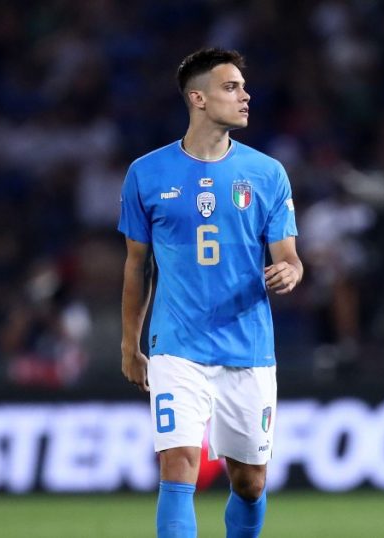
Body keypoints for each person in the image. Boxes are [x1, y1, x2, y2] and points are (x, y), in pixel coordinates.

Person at [118, 48, 302, 538]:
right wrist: (129, 345)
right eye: (231, 87)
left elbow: (289, 255)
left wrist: (289, 271)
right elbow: (137, 266)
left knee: (249, 482)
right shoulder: (146, 173)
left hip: (248, 346)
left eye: (243, 86)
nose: (245, 96)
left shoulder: (267, 174)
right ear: (197, 98)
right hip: (176, 345)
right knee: (178, 464)